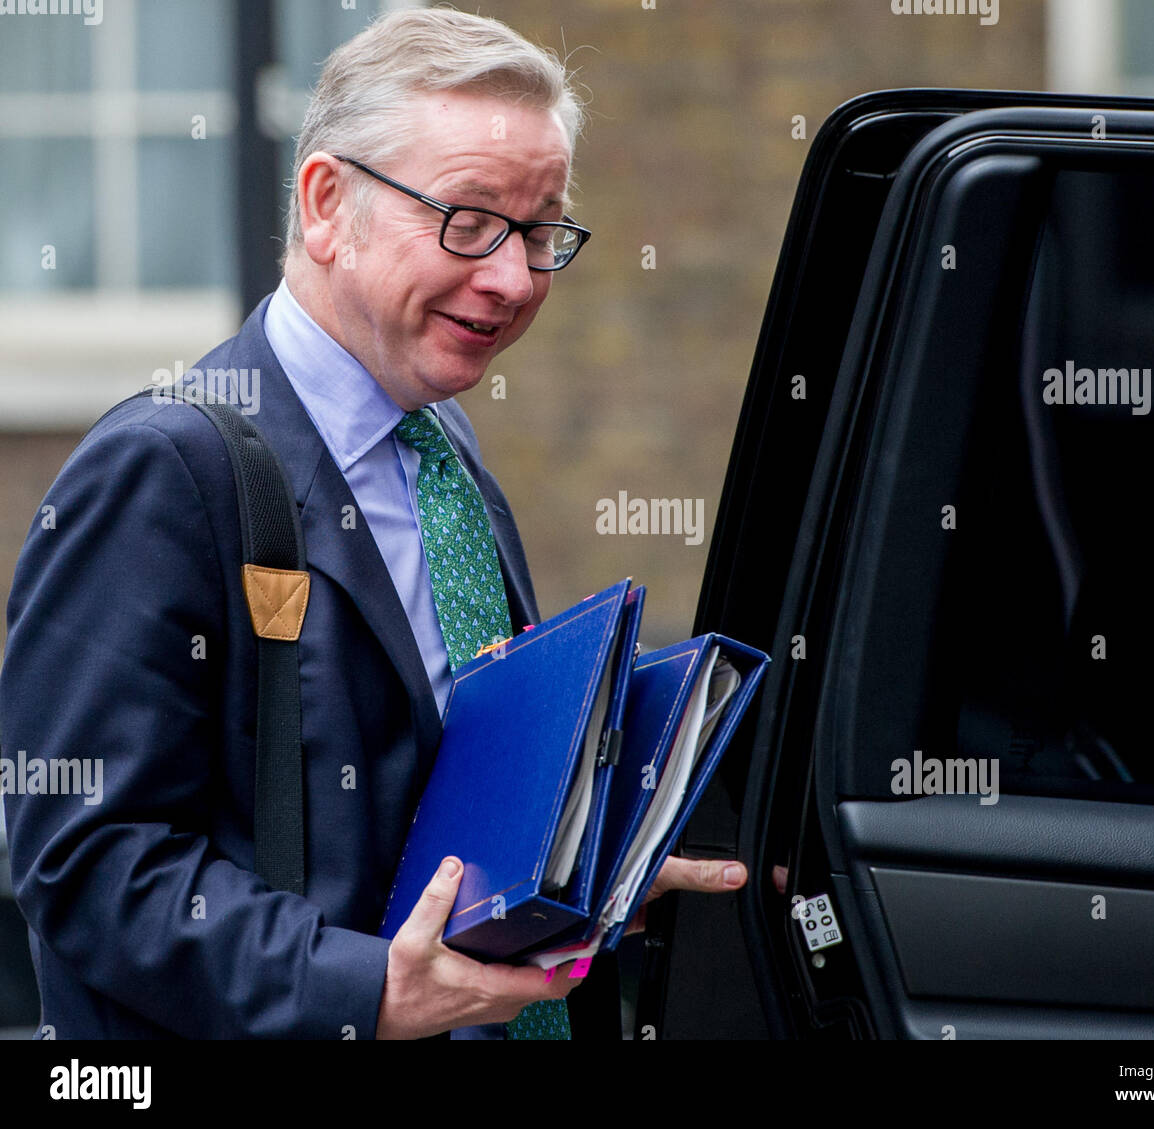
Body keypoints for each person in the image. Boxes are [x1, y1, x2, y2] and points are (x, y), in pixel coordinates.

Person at [0, 7, 746, 1040]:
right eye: (471, 220)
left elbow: (432, 783)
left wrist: (587, 846)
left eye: (539, 231)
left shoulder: (445, 446)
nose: (514, 278)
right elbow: (86, 866)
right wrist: (368, 991)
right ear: (324, 204)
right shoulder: (164, 469)